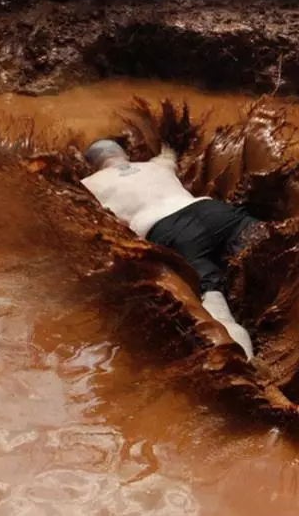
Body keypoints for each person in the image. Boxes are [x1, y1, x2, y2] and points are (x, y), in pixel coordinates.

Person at [80, 139, 256, 359]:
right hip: (213, 212)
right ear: (124, 154)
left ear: (93, 166)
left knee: (216, 306)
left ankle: (248, 369)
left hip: (169, 230)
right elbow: (169, 153)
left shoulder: (88, 184)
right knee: (264, 246)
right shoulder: (156, 166)